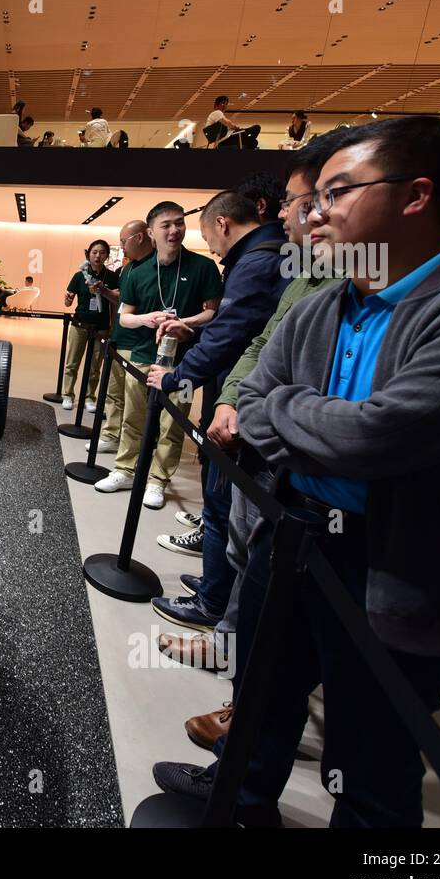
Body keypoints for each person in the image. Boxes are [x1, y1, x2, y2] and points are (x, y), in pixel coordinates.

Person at [153, 116, 440, 827]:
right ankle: (239, 798)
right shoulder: (323, 302)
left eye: (338, 192)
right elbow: (259, 406)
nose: (318, 212)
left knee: (373, 761)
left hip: (406, 562)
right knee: (264, 691)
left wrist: (289, 415)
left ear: (417, 195)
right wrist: (299, 418)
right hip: (293, 532)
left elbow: (379, 437)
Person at [156, 143, 343, 725]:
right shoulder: (299, 268)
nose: (294, 216)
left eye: (303, 203)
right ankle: (224, 632)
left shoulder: (276, 262)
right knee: (242, 543)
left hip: (301, 470)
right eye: (295, 204)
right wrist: (235, 397)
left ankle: (225, 638)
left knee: (248, 540)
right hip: (257, 430)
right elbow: (264, 345)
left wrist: (198, 382)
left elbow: (257, 342)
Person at [144, 188, 289, 632]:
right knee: (223, 500)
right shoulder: (275, 256)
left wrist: (174, 378)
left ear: (222, 224)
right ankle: (215, 582)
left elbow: (233, 335)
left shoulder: (256, 261)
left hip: (242, 404)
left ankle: (212, 601)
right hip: (237, 393)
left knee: (223, 499)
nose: (210, 246)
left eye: (208, 235)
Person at [95, 203, 222, 509]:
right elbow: (125, 316)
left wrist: (185, 324)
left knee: (172, 424)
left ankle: (157, 480)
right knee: (133, 418)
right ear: (151, 232)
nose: (174, 230)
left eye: (179, 223)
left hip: (184, 362)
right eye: (166, 225)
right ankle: (125, 469)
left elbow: (215, 312)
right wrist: (148, 319)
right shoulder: (137, 271)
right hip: (141, 355)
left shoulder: (202, 267)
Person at [97, 221, 155, 454]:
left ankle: (129, 451)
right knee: (113, 393)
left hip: (139, 346)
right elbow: (122, 301)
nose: (121, 246)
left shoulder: (156, 267)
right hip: (118, 339)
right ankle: (111, 434)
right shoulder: (128, 269)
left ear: (140, 238)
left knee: (135, 405)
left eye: (123, 241)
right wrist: (104, 292)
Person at [61, 240, 119, 410]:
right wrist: (67, 298)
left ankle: (89, 397)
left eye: (101, 252)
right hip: (79, 325)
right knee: (72, 363)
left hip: (101, 327)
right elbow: (67, 302)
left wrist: (113, 326)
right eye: (94, 252)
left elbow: (116, 302)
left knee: (95, 366)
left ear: (107, 255)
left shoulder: (112, 277)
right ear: (89, 255)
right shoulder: (80, 276)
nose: (97, 256)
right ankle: (67, 395)